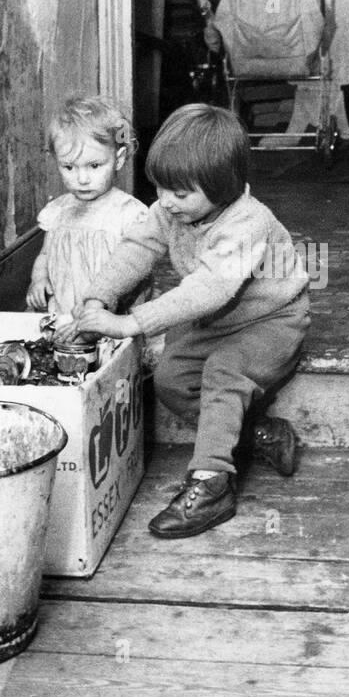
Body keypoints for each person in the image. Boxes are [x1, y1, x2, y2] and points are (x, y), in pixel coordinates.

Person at [69, 103, 310, 538]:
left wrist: (133, 322)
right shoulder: (169, 211)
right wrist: (97, 296)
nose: (166, 202)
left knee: (224, 372)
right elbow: (136, 248)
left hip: (271, 319)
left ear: (223, 186)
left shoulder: (247, 223)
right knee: (171, 380)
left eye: (180, 193)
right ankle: (256, 434)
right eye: (161, 188)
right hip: (215, 319)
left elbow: (209, 288)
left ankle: (211, 482)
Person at [26, 95, 148, 319]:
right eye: (69, 167)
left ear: (118, 160)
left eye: (94, 166)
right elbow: (45, 254)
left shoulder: (127, 212)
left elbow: (138, 267)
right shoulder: (57, 211)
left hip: (110, 314)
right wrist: (39, 279)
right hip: (63, 311)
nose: (82, 179)